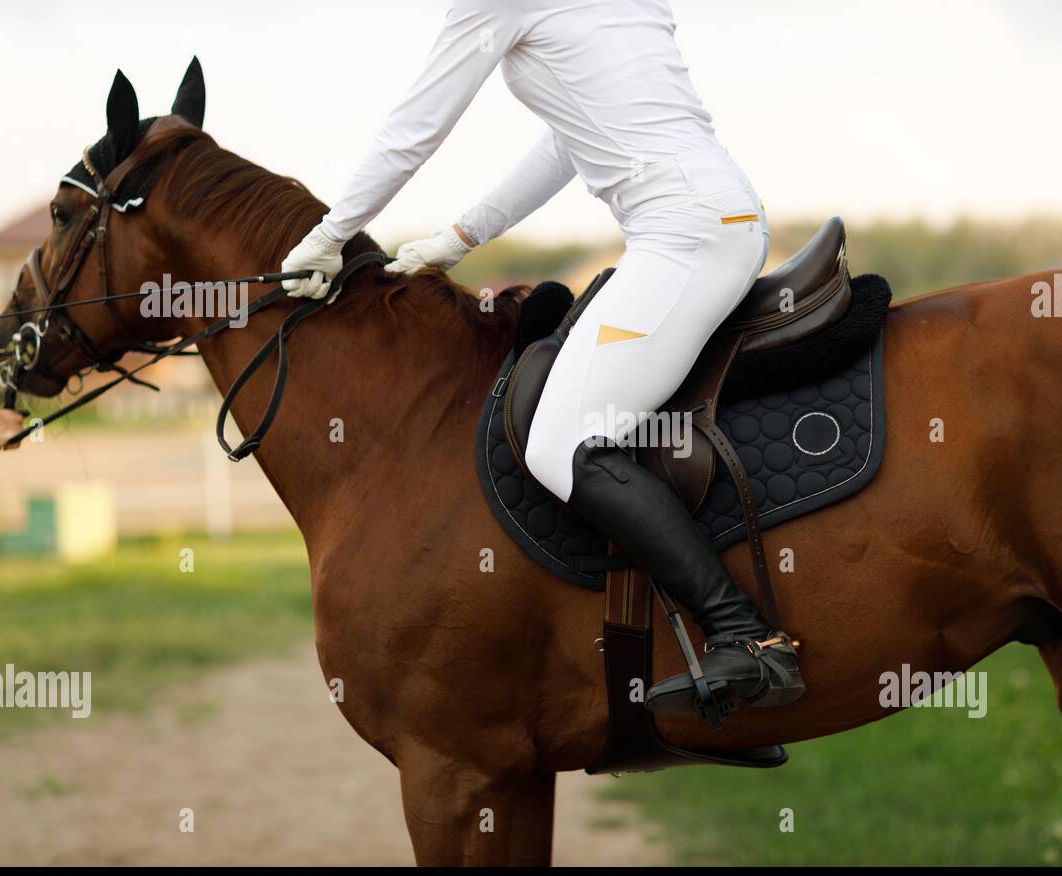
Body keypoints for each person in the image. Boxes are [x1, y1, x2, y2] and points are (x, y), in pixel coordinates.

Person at [280, 0, 803, 718]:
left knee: (564, 444)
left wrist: (333, 233)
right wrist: (461, 237)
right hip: (710, 218)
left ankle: (747, 638)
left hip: (682, 235)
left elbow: (414, 129)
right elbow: (568, 142)